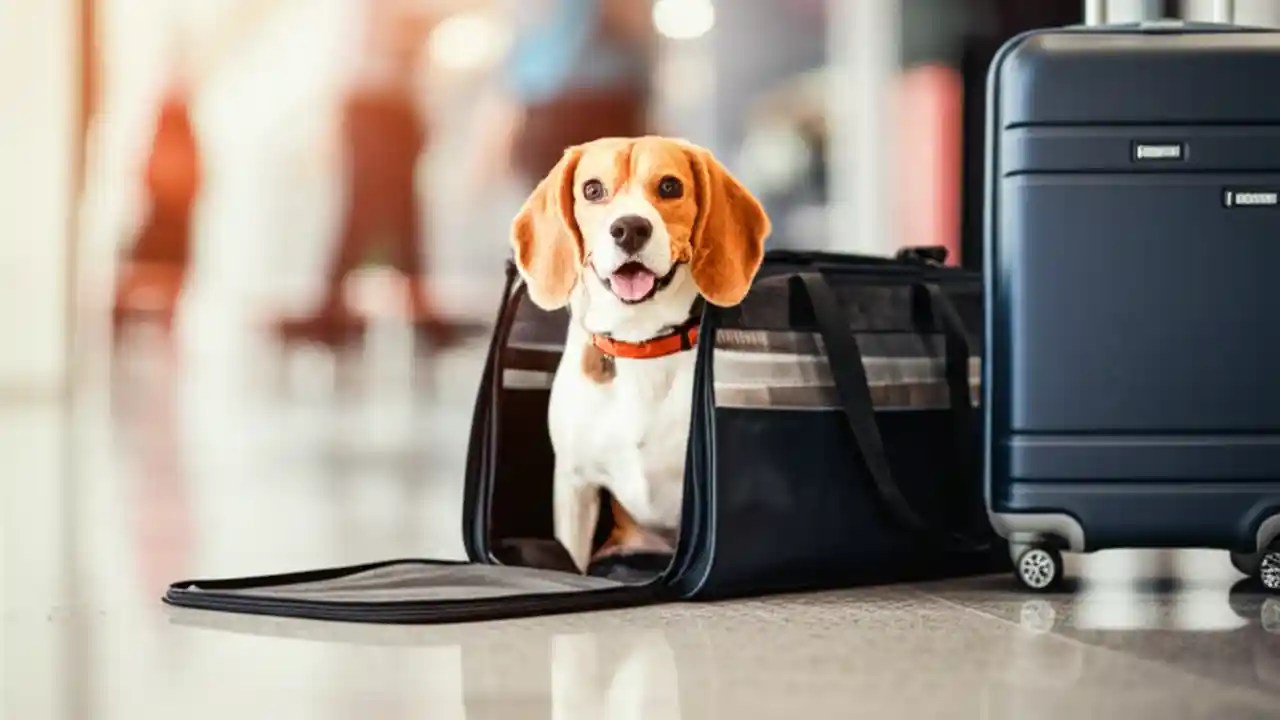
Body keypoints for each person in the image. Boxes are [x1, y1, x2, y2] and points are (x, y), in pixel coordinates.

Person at [276, 0, 477, 349]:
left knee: (402, 217)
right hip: (375, 104)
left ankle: (348, 309)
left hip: (392, 105)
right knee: (367, 212)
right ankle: (332, 310)